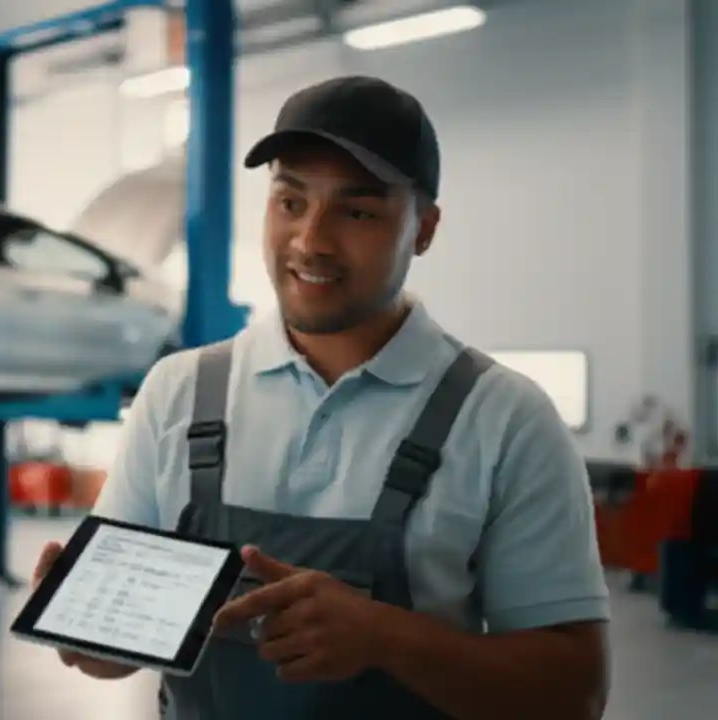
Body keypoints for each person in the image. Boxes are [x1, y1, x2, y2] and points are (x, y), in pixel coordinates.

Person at [33, 75, 611, 719]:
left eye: (357, 211)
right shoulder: (177, 394)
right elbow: (116, 653)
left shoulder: (506, 421)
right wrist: (81, 625)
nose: (311, 241)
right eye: (290, 202)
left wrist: (384, 637)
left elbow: (574, 695)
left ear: (425, 228)